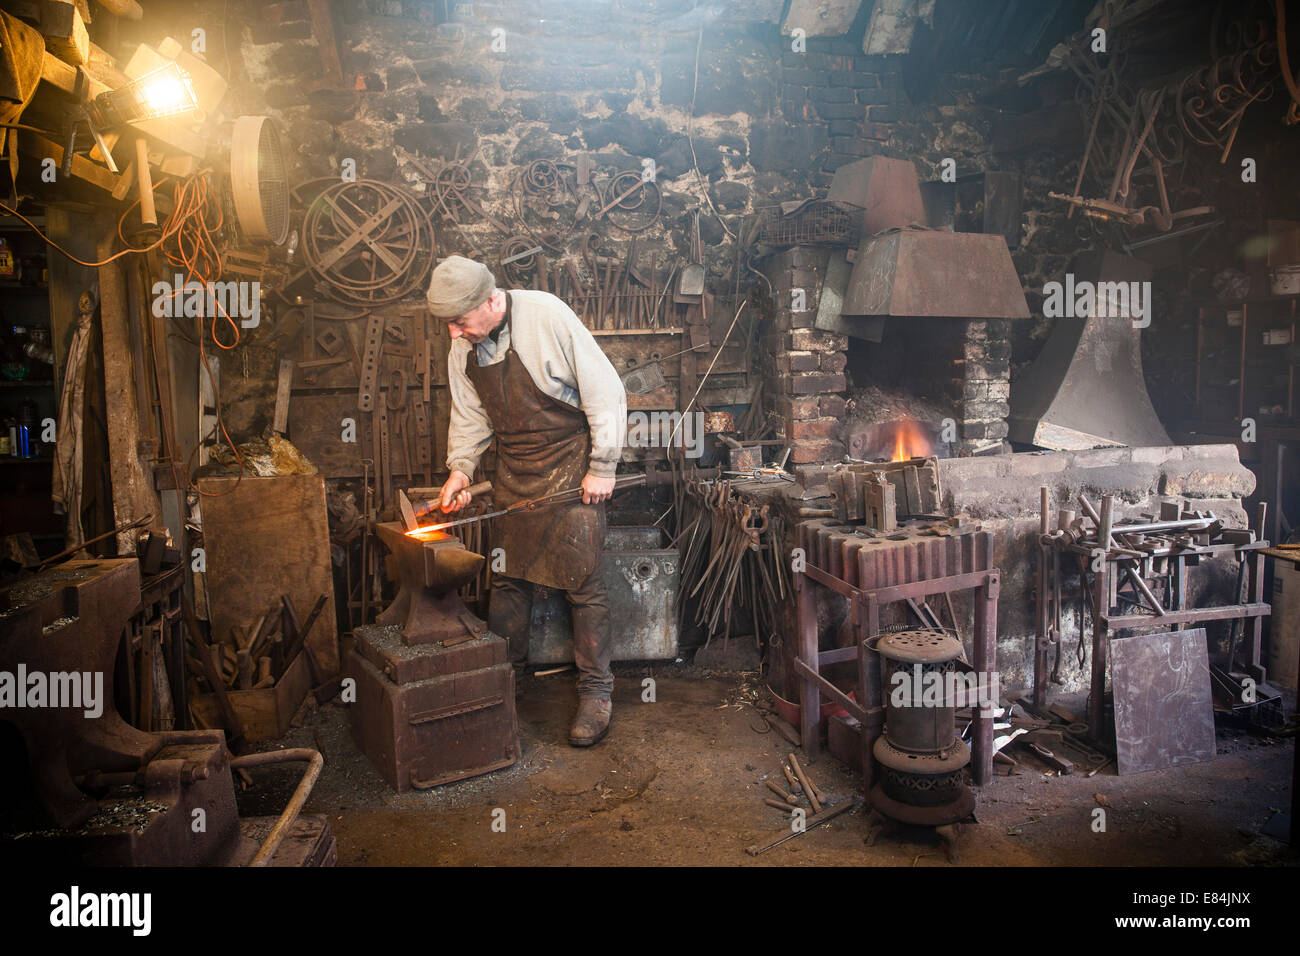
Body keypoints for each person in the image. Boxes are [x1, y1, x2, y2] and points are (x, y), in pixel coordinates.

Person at [427, 255, 627, 746]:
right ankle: (503, 683)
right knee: (509, 580)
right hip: (514, 472)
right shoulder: (464, 350)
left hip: (571, 467)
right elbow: (471, 417)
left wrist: (603, 465)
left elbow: (604, 391)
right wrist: (461, 469)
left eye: (459, 322)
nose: (454, 334)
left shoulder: (547, 315)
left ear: (491, 301)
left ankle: (597, 692)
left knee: (583, 581)